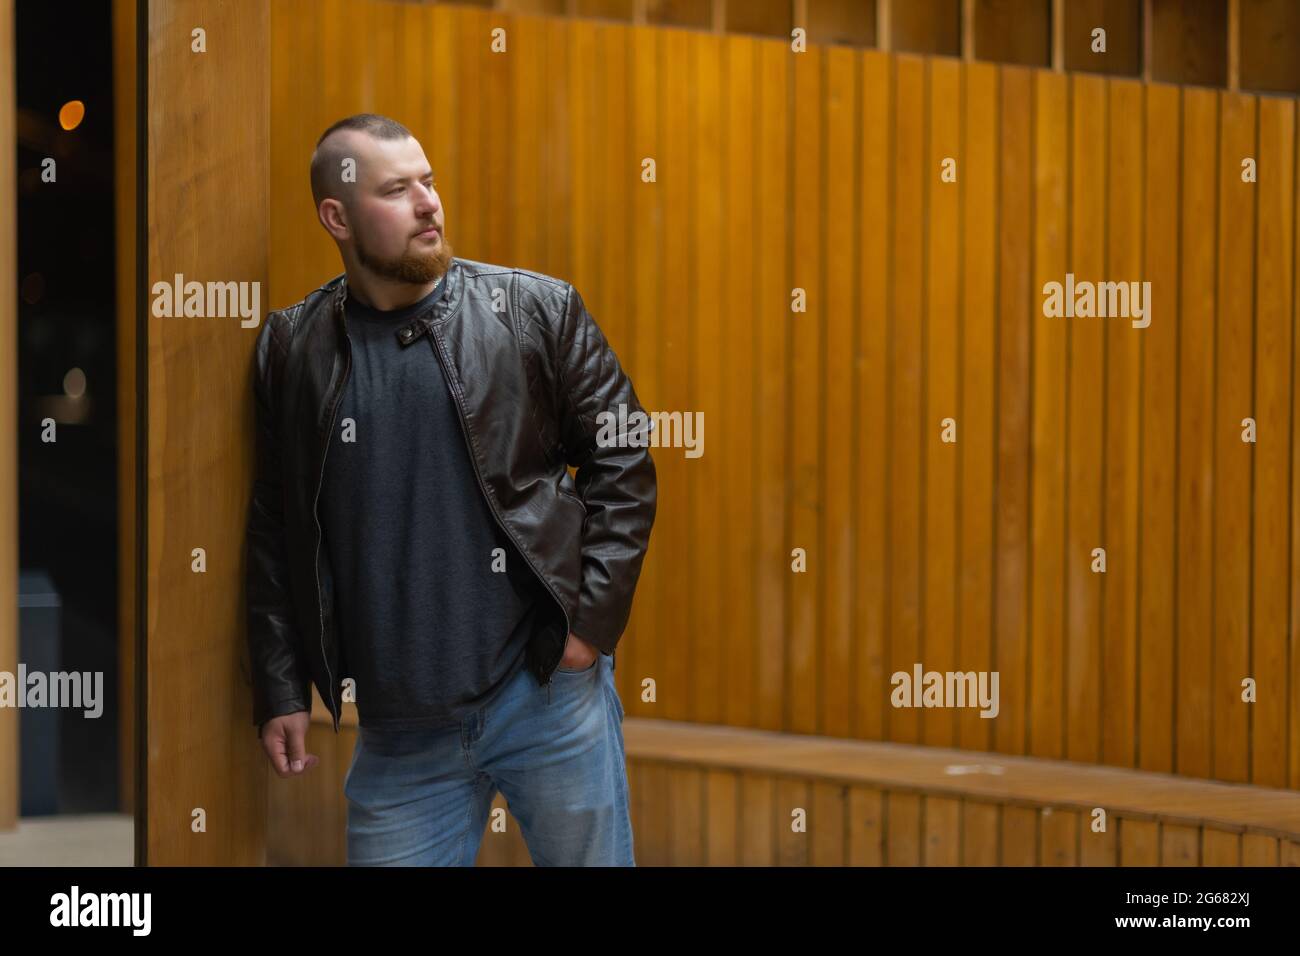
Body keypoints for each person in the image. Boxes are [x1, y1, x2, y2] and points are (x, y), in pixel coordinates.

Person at [243, 113, 657, 866]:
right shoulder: (291, 348)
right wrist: (279, 683)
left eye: (428, 181)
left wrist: (587, 631)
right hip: (401, 737)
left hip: (546, 698)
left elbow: (623, 463)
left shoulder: (536, 312)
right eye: (397, 190)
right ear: (336, 215)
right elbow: (277, 524)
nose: (430, 202)